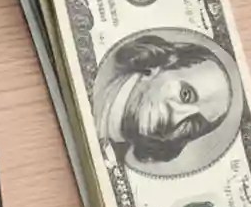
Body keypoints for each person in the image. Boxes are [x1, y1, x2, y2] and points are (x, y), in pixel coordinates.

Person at [94, 33, 234, 165]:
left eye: (193, 124)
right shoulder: (94, 79)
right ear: (158, 66)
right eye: (186, 95)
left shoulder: (107, 161)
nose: (177, 119)